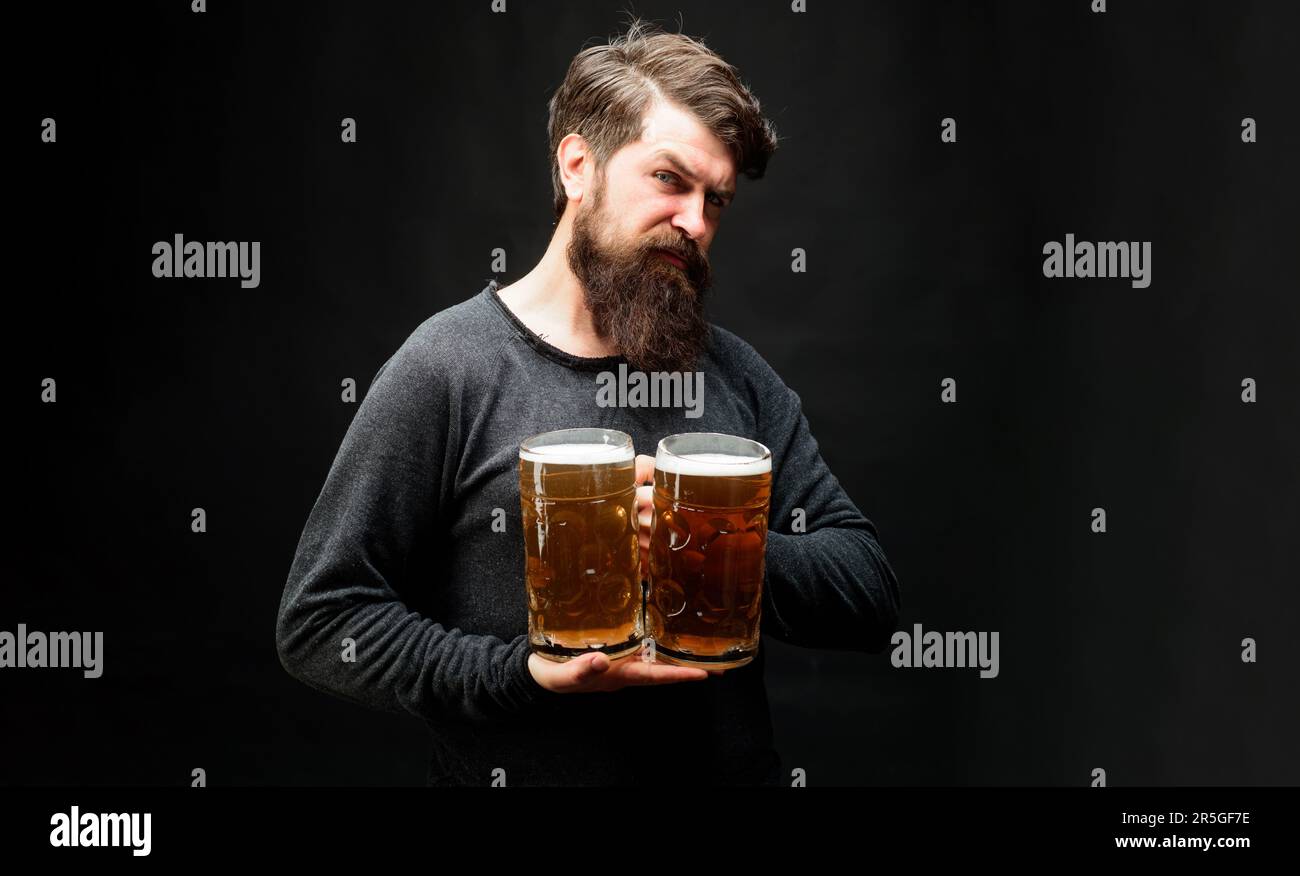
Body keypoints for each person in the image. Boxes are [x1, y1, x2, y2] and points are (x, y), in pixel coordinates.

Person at [277, 17, 900, 786]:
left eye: (717, 201)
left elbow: (869, 593)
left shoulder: (736, 375)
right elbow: (320, 621)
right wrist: (518, 674)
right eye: (670, 180)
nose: (696, 223)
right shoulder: (448, 366)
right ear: (579, 164)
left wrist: (714, 550)